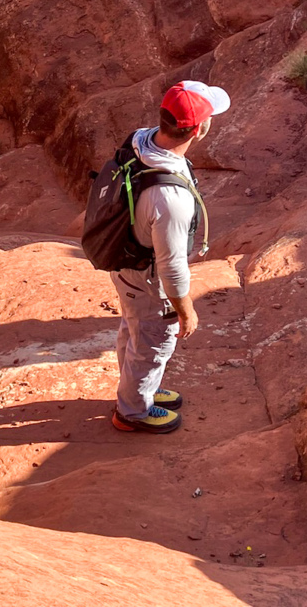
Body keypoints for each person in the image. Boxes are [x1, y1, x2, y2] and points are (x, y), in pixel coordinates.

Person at [110, 79, 225, 434]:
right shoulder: (170, 200)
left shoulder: (140, 141)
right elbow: (171, 267)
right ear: (199, 129)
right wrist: (185, 311)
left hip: (125, 261)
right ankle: (132, 411)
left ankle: (138, 388)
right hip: (148, 279)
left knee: (134, 331)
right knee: (152, 344)